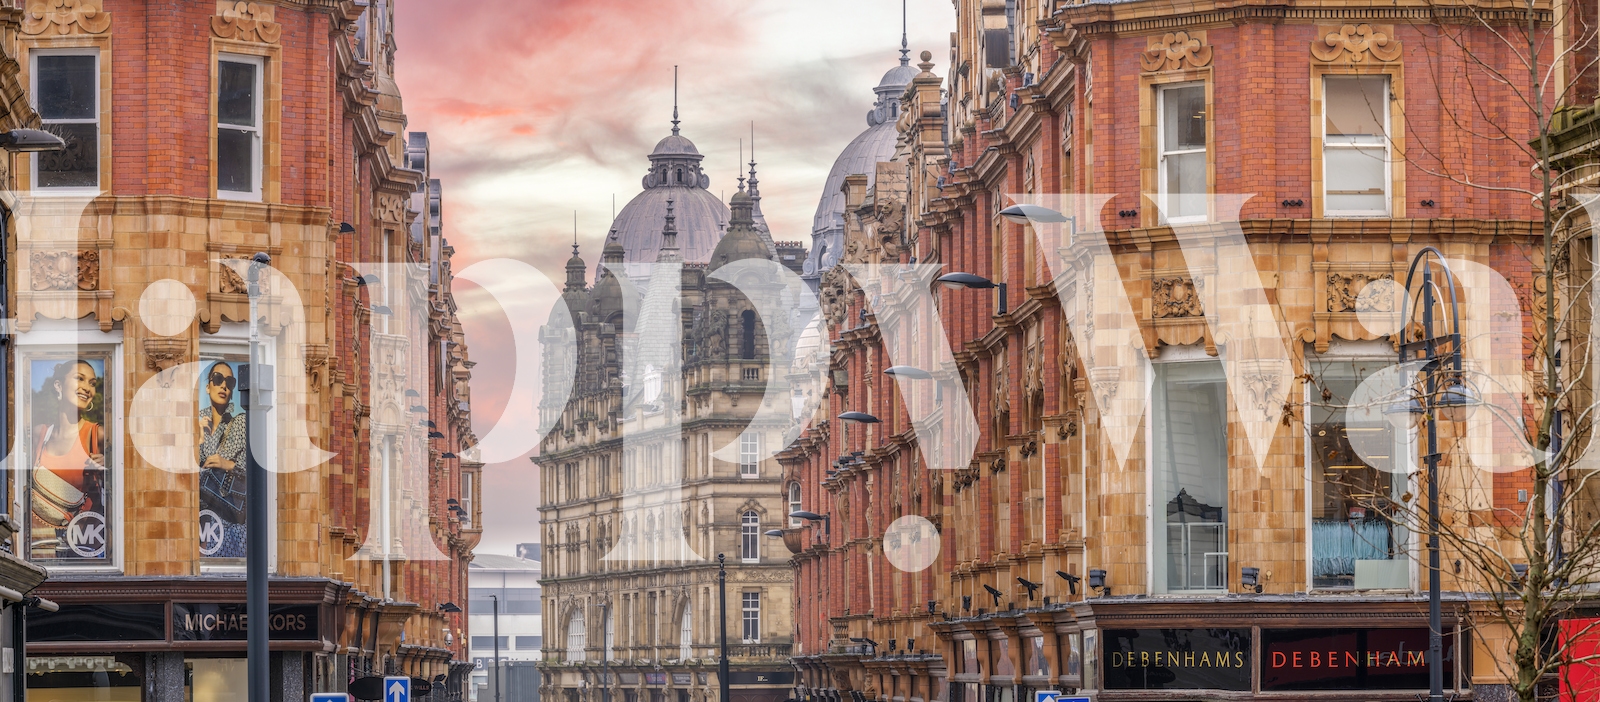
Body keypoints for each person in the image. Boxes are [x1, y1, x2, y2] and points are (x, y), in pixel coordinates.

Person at [30, 359, 105, 559]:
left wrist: (109, 469)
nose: (87, 388)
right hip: (41, 547)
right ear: (58, 385)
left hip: (85, 547)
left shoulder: (97, 435)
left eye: (92, 383)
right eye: (79, 378)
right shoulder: (40, 434)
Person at [198, 361, 248, 558]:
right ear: (208, 386)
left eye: (230, 381)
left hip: (228, 516)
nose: (224, 386)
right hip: (198, 512)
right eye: (218, 379)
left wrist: (229, 465)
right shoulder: (197, 422)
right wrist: (199, 436)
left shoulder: (240, 422)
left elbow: (256, 470)